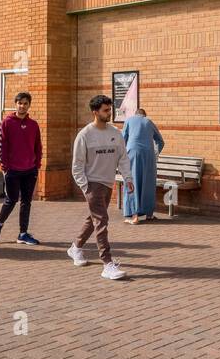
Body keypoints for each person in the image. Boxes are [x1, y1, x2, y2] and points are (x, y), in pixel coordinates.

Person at [68, 94, 133, 280]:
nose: (109, 113)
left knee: (94, 219)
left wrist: (128, 179)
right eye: (105, 110)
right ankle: (107, 264)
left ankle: (76, 247)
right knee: (101, 221)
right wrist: (85, 186)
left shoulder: (115, 133)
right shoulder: (85, 135)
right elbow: (77, 165)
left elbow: (123, 158)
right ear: (95, 112)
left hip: (107, 182)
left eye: (110, 109)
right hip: (92, 184)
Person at [0, 91, 41, 245]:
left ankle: (23, 234)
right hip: (12, 170)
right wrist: (4, 167)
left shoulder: (33, 125)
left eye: (25, 103)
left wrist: (37, 164)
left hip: (30, 169)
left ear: (29, 105)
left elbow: (38, 146)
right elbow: (1, 146)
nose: (22, 106)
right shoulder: (6, 123)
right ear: (16, 104)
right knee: (11, 200)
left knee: (26, 202)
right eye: (20, 103)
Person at [122, 107, 165, 224]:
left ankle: (134, 216)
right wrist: (155, 154)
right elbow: (161, 141)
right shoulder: (149, 122)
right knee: (148, 183)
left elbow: (122, 140)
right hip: (149, 156)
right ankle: (149, 215)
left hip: (133, 154)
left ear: (136, 114)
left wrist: (123, 155)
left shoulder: (129, 121)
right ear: (144, 115)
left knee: (132, 181)